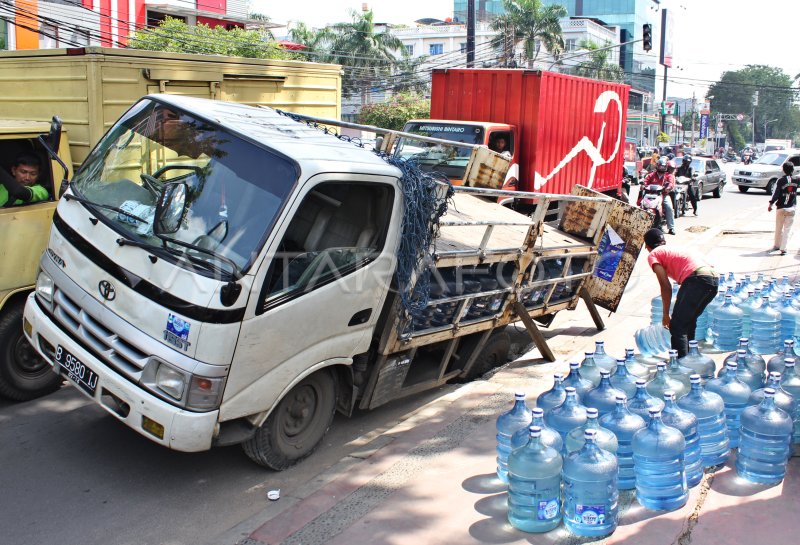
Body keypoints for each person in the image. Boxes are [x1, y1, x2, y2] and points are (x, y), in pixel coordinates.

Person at [644, 228, 719, 358]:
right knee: (688, 322)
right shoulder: (675, 249)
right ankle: (690, 359)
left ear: (646, 246)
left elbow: (665, 285)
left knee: (677, 326)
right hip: (713, 280)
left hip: (696, 279)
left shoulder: (654, 254)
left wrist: (666, 314)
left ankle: (680, 367)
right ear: (663, 241)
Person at [767, 161, 797, 256]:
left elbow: (776, 194)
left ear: (783, 170)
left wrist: (771, 204)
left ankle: (776, 246)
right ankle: (783, 249)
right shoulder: (796, 180)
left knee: (779, 228)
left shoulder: (780, 181)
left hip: (781, 208)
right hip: (791, 209)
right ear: (793, 170)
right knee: (787, 229)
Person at [642, 157, 676, 234]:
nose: (661, 168)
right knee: (641, 204)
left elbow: (671, 183)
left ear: (666, 167)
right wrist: (643, 184)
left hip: (662, 195)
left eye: (663, 166)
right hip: (650, 195)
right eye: (660, 166)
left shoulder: (668, 175)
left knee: (669, 207)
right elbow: (645, 181)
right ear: (657, 166)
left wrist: (668, 188)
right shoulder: (651, 174)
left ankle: (671, 227)